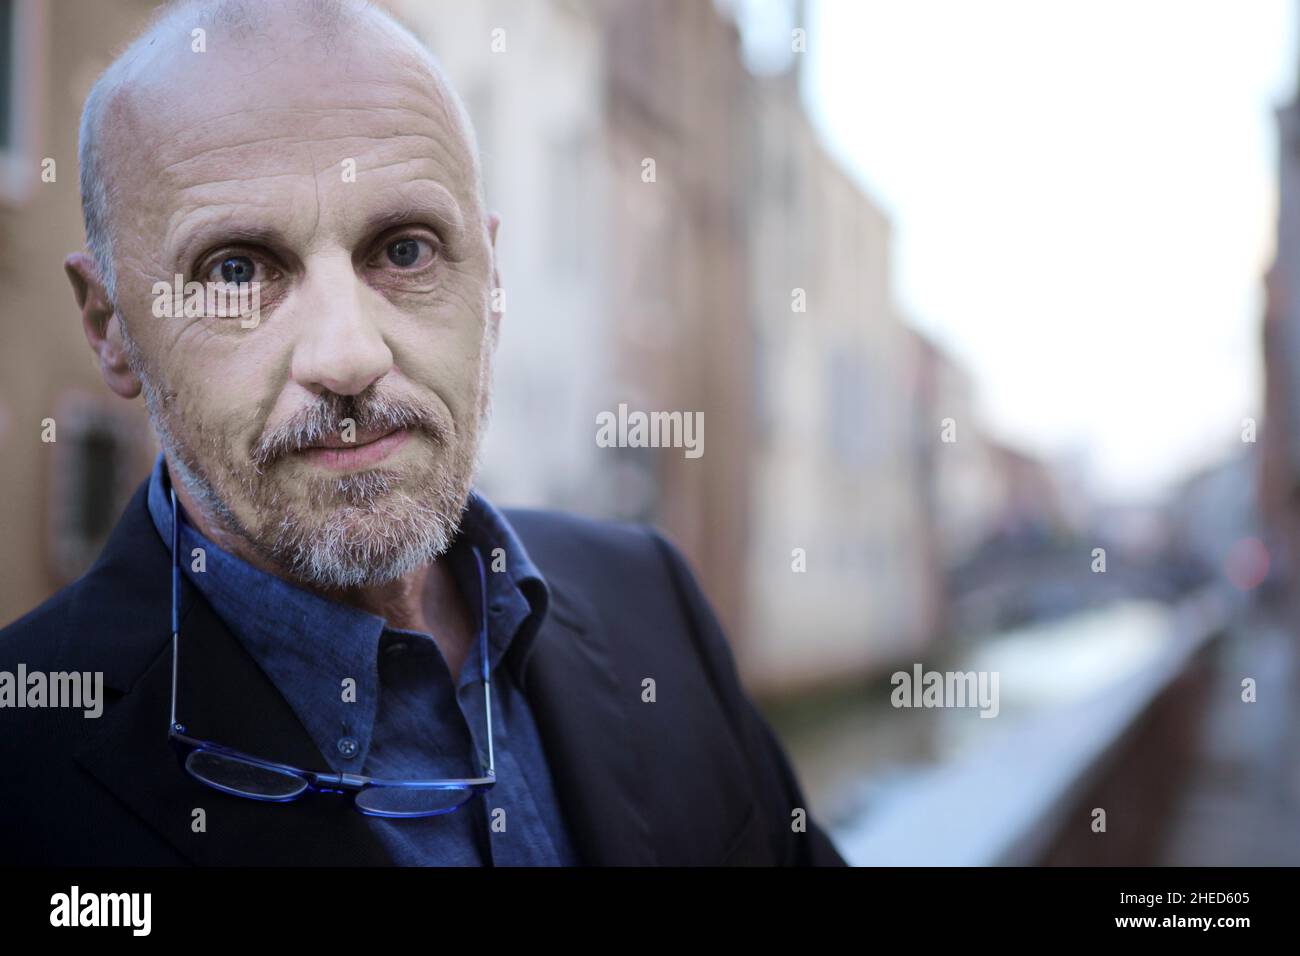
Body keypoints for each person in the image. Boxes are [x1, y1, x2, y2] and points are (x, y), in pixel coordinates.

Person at [0, 0, 846, 866]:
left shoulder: (650, 600)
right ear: (111, 327)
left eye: (404, 251)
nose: (349, 355)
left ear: (491, 280)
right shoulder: (21, 770)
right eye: (237, 270)